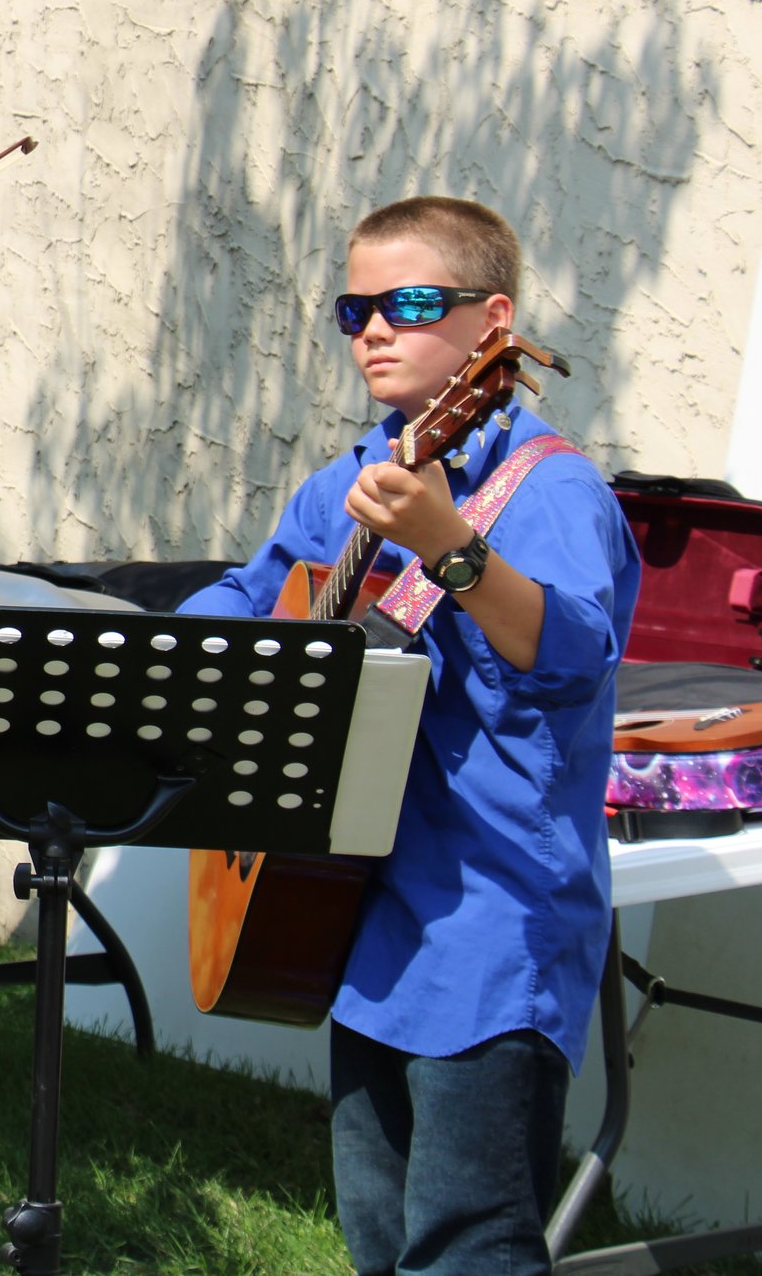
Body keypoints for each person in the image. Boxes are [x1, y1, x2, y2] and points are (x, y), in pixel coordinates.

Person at [178, 197, 640, 1276]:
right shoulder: (352, 474)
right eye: (356, 309)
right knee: (378, 1227)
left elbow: (573, 653)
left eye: (411, 303)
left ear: (493, 324)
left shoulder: (553, 489)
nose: (376, 328)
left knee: (469, 1236)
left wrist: (448, 545)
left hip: (491, 916)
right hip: (356, 903)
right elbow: (245, 597)